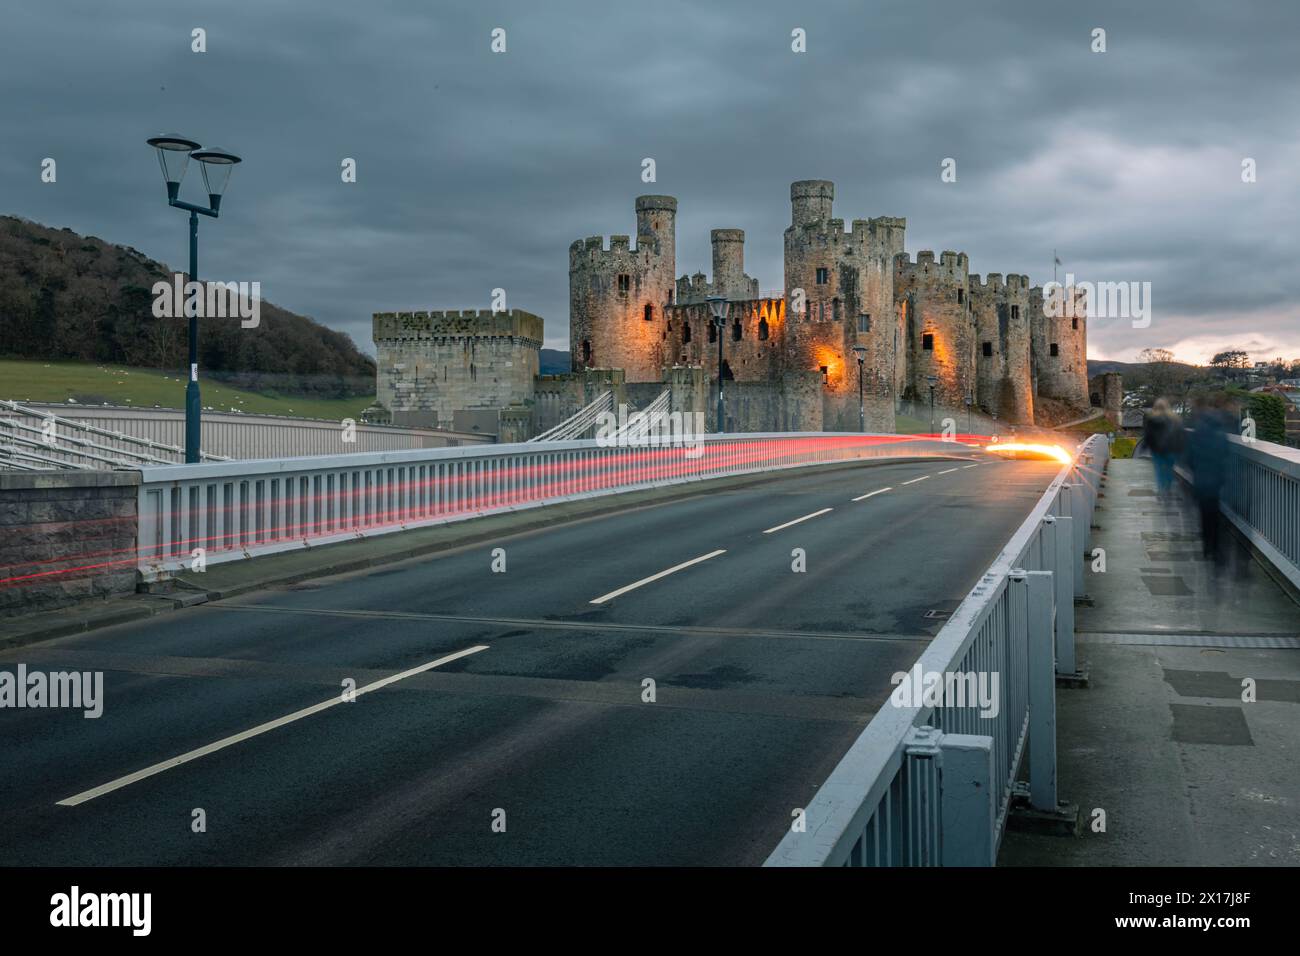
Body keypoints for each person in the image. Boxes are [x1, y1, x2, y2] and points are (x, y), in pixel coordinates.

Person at [1184, 394, 1232, 567]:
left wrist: (1197, 470)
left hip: (1201, 480)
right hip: (1216, 480)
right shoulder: (1221, 433)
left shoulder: (1196, 432)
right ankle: (1216, 550)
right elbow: (1225, 454)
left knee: (1204, 514)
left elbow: (1189, 458)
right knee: (1215, 513)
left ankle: (1207, 547)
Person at [1142, 398, 1184, 497]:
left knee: (1159, 470)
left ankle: (1161, 489)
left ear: (1155, 407)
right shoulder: (1175, 419)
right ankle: (1168, 488)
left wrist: (1145, 446)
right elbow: (1180, 434)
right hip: (1172, 449)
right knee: (1169, 468)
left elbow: (1148, 435)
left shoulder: (1151, 419)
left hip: (1157, 449)